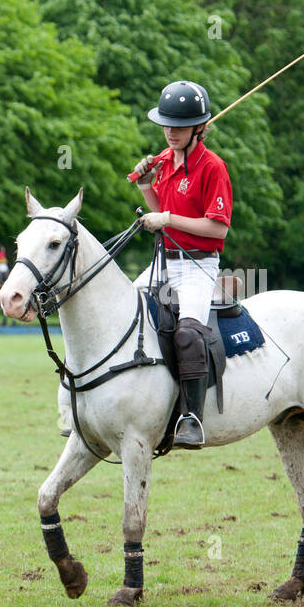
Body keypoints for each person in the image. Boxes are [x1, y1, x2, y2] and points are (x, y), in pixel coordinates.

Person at [132, 80, 232, 450]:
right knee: (122, 312)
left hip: (197, 265)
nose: (171, 131)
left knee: (188, 334)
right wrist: (146, 186)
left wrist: (169, 219)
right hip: (164, 261)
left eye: (180, 125)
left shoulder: (212, 167)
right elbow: (159, 214)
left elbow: (217, 225)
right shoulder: (164, 162)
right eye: (166, 124)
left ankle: (191, 418)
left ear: (199, 128)